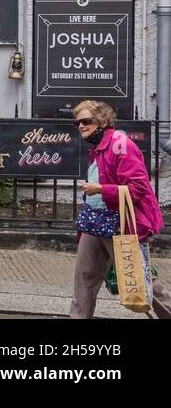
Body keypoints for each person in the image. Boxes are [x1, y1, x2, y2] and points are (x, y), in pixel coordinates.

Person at [70, 100, 171, 318]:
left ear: (103, 122)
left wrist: (101, 190)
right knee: (84, 276)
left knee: (137, 278)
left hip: (118, 222)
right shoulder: (97, 148)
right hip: (94, 222)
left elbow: (138, 188)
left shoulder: (121, 145)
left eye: (86, 121)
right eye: (78, 123)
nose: (81, 126)